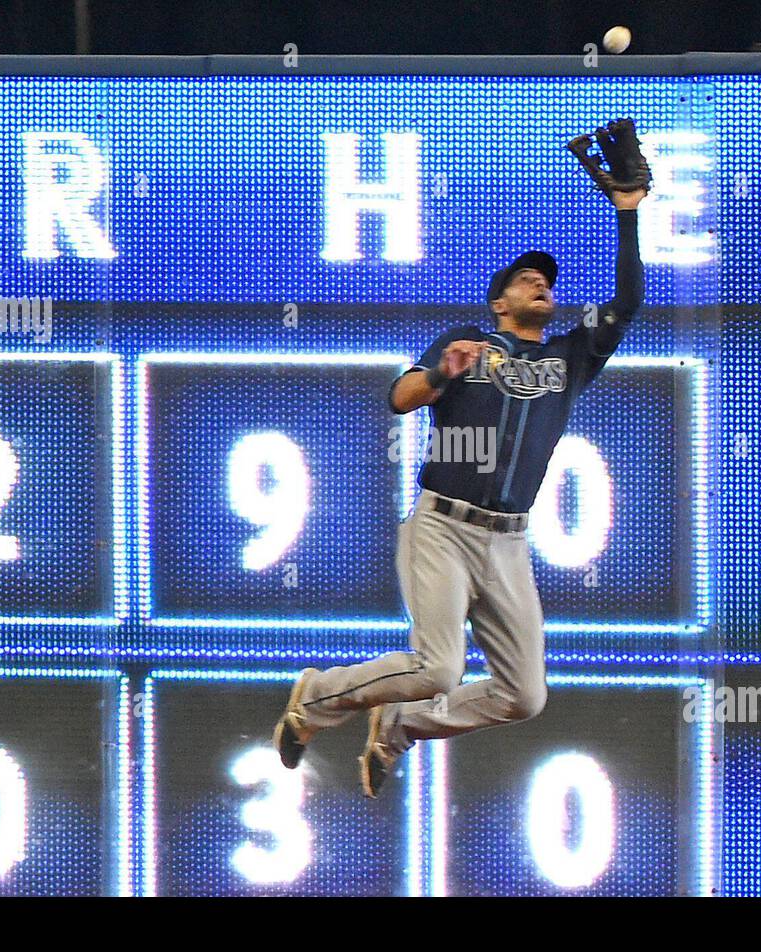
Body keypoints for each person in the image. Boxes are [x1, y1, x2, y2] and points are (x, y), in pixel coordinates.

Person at [274, 183, 647, 797]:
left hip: (508, 543)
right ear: (500, 303)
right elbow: (400, 399)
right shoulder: (469, 343)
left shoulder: (568, 359)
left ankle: (399, 724)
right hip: (444, 527)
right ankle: (315, 699)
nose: (540, 283)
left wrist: (627, 213)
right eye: (526, 278)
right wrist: (443, 371)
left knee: (524, 694)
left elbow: (628, 301)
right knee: (439, 667)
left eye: (545, 279)